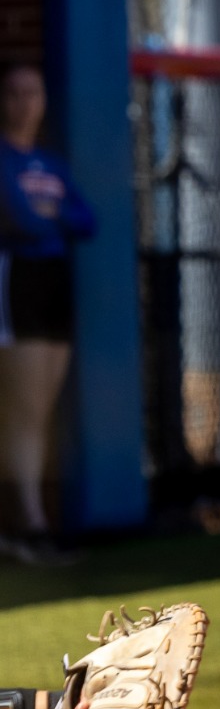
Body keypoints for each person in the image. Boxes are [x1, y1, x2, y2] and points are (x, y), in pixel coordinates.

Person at [0, 62, 95, 561]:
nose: (24, 103)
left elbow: (86, 220)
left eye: (32, 93)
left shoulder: (50, 164)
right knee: (24, 409)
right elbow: (22, 221)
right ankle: (29, 523)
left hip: (56, 282)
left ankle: (29, 521)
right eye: (13, 93)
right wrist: (52, 218)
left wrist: (51, 215)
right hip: (18, 280)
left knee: (41, 411)